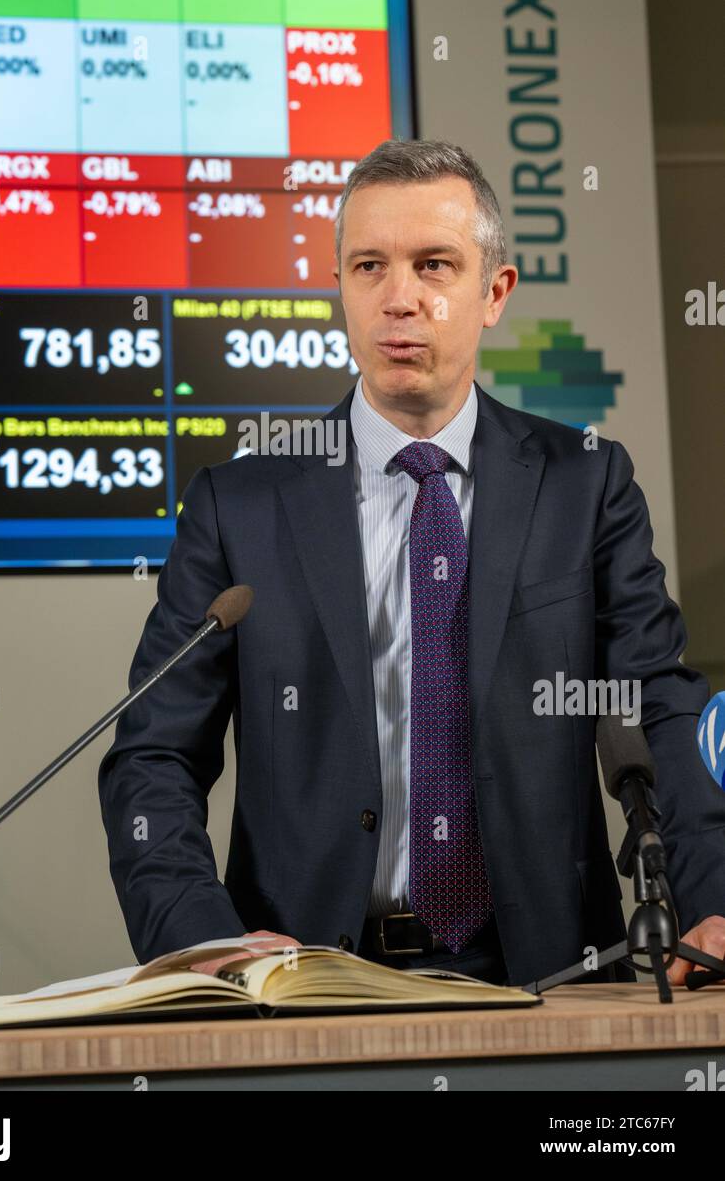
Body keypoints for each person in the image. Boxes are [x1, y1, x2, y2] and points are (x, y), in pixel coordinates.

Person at [98, 138, 725, 988]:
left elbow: (657, 707)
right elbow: (153, 754)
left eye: (434, 265)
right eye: (369, 267)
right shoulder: (239, 507)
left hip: (554, 975)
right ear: (339, 289)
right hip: (303, 985)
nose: (401, 299)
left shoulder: (585, 484)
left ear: (493, 292)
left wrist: (713, 901)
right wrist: (204, 939)